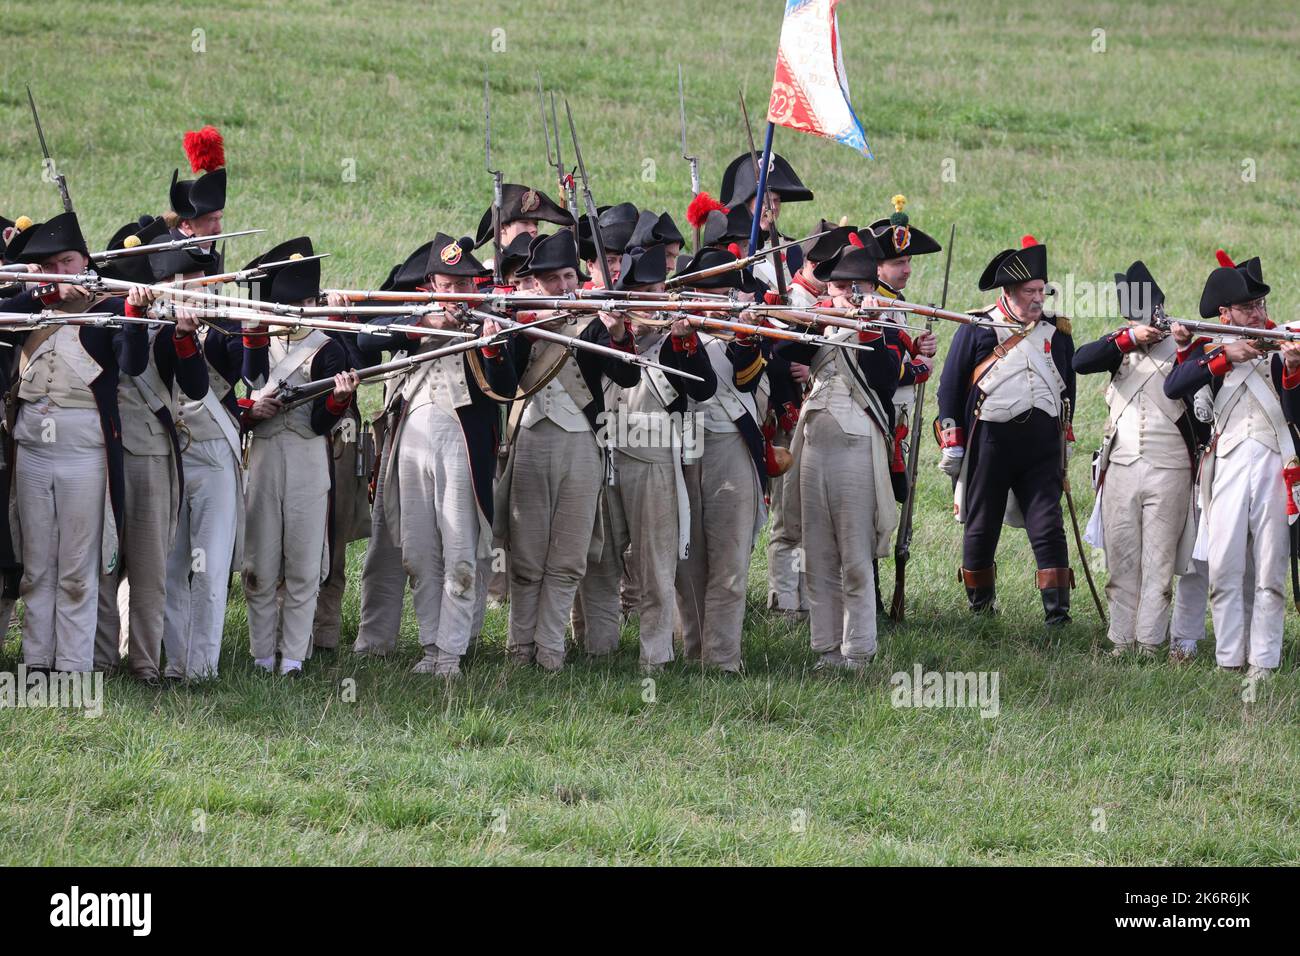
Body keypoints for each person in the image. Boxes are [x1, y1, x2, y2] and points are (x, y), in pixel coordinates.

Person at [1, 211, 150, 673]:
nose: (58, 273)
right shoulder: (28, 304)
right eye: (48, 267)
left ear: (85, 260)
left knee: (77, 569)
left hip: (84, 450)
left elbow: (134, 362)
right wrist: (44, 291)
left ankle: (72, 666)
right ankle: (37, 662)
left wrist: (135, 315)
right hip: (32, 448)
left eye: (66, 262)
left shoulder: (109, 305)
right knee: (37, 567)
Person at [497, 229, 641, 671]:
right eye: (550, 280)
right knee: (525, 557)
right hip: (531, 440)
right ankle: (520, 649)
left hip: (581, 443)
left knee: (567, 558)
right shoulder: (517, 322)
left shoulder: (593, 320)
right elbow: (502, 384)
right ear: (533, 284)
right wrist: (519, 330)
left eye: (566, 276)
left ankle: (552, 651)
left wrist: (617, 335)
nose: (561, 286)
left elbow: (628, 376)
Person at [376, 235, 517, 677]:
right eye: (448, 285)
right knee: (418, 553)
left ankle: (451, 652)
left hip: (462, 444)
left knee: (460, 552)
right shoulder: (413, 319)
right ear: (430, 286)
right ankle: (431, 645)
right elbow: (365, 338)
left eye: (464, 285)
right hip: (412, 444)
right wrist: (419, 324)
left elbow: (506, 386)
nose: (457, 294)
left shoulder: (489, 325)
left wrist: (491, 347)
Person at [571, 244, 715, 670]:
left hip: (652, 459)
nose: (647, 299)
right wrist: (612, 332)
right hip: (604, 454)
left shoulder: (676, 337)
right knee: (599, 562)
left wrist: (684, 338)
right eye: (638, 291)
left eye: (654, 290)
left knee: (655, 565)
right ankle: (597, 648)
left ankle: (655, 656)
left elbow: (703, 387)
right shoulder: (604, 330)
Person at [1164, 259, 1300, 678]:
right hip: (1225, 466)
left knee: (1270, 568)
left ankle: (1264, 660)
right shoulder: (1212, 349)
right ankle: (1228, 658)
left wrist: (1293, 369)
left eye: (1260, 305)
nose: (1258, 314)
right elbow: (1175, 386)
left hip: (1276, 465)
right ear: (1225, 314)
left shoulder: (1283, 345)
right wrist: (1222, 356)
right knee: (1223, 567)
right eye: (1248, 308)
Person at [935, 236, 1077, 624]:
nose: (1038, 298)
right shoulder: (978, 327)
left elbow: (1068, 388)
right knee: (981, 525)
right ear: (1009, 291)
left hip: (1042, 446)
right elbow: (949, 387)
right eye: (1030, 291)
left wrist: (1064, 439)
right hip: (991, 443)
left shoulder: (1057, 331)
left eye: (1041, 290)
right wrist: (954, 441)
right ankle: (981, 607)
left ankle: (1057, 615)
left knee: (1049, 526)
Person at [778, 240, 905, 669]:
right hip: (814, 447)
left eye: (858, 287)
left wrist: (866, 324)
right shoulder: (819, 322)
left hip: (856, 447)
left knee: (854, 556)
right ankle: (826, 648)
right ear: (828, 290)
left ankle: (859, 649)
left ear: (872, 288)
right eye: (841, 287)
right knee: (818, 556)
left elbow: (888, 378)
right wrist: (819, 321)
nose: (849, 294)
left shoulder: (883, 327)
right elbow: (783, 353)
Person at [94, 221, 210, 684]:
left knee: (149, 568)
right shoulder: (102, 314)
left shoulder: (170, 323)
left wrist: (184, 338)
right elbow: (129, 361)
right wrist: (133, 314)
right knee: (101, 560)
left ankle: (144, 662)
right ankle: (102, 659)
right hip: (101, 454)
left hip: (149, 454)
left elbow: (197, 387)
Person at [1074, 261, 1207, 658]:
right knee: (1122, 558)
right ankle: (1120, 639)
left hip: (1171, 468)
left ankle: (1149, 642)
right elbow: (1081, 361)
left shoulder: (1185, 345)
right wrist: (1127, 338)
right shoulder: (1119, 347)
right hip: (1121, 466)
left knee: (1160, 562)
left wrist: (1184, 346)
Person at [240, 239, 359, 676]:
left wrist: (338, 402)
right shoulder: (252, 335)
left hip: (309, 459)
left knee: (306, 562)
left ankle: (292, 657)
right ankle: (259, 655)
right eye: (292, 302)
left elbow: (319, 425)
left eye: (307, 300)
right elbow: (248, 380)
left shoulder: (329, 348)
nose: (301, 308)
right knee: (260, 564)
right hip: (265, 457)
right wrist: (253, 410)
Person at [671, 248, 769, 673]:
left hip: (729, 444)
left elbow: (750, 376)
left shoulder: (745, 332)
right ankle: (693, 650)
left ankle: (723, 658)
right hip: (680, 448)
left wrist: (746, 335)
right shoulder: (669, 330)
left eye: (724, 293)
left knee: (729, 561)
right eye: (706, 294)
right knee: (687, 563)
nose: (716, 302)